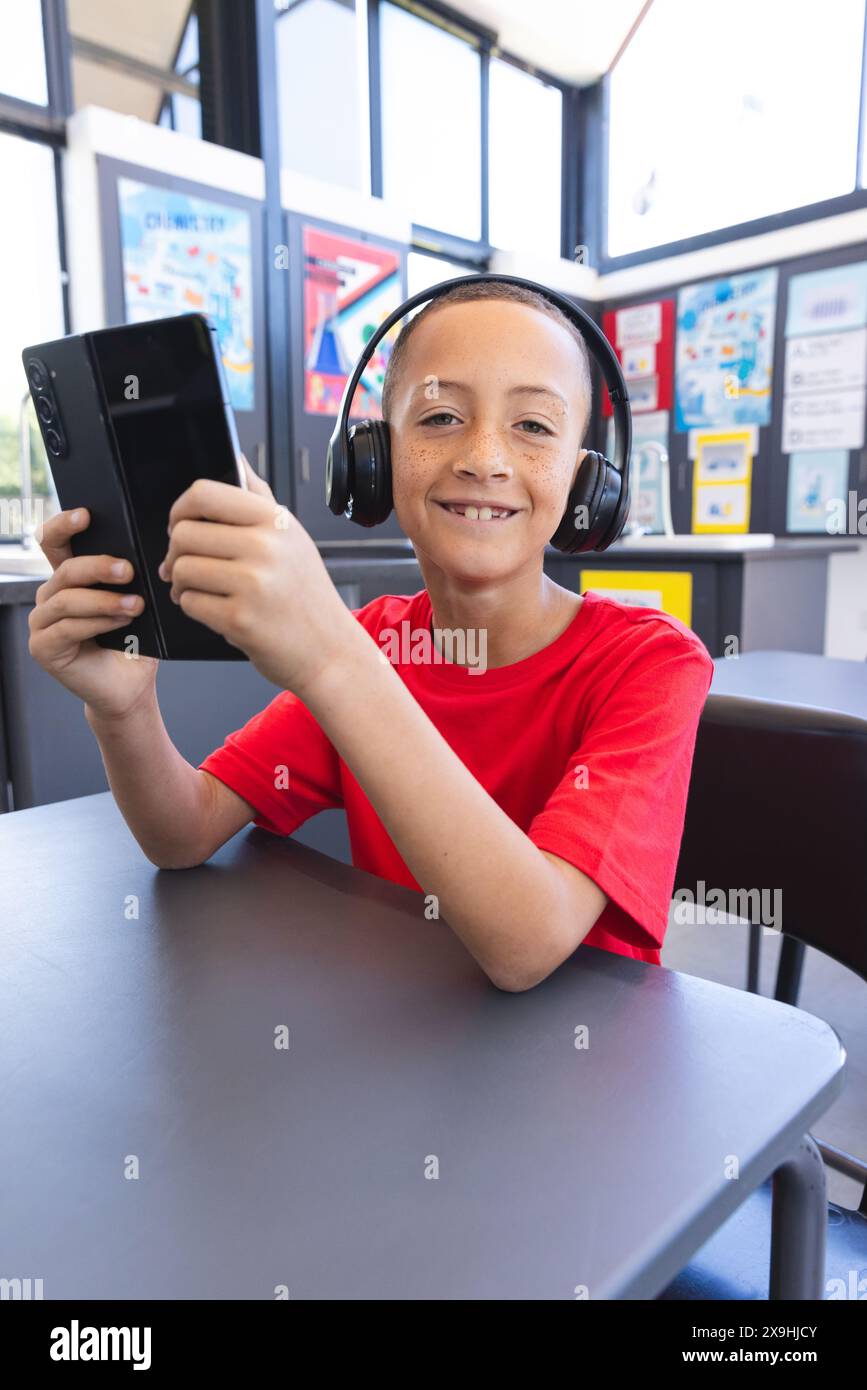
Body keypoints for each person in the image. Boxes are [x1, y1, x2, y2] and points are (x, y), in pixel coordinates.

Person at [29, 280, 713, 991]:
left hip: (586, 1065)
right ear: (372, 460)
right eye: (441, 416)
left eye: (534, 427)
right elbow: (183, 831)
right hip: (398, 1049)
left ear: (584, 482)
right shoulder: (377, 641)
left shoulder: (650, 664)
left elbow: (526, 946)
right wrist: (123, 708)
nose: (484, 457)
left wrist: (328, 657)